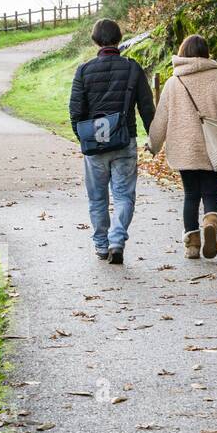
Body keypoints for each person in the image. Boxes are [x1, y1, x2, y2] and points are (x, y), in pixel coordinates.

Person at [148, 34, 217, 260]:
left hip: (184, 149)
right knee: (211, 192)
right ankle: (211, 221)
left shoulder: (174, 82)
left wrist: (153, 144)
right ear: (206, 53)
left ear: (183, 53)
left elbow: (161, 117)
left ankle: (193, 245)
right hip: (215, 148)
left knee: (191, 195)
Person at [69, 18, 156, 265]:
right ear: (119, 39)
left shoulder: (84, 70)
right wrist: (154, 138)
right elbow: (147, 109)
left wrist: (85, 140)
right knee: (123, 196)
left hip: (94, 146)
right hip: (124, 141)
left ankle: (101, 245)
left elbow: (75, 112)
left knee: (97, 199)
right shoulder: (132, 68)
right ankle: (117, 241)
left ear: (96, 40)